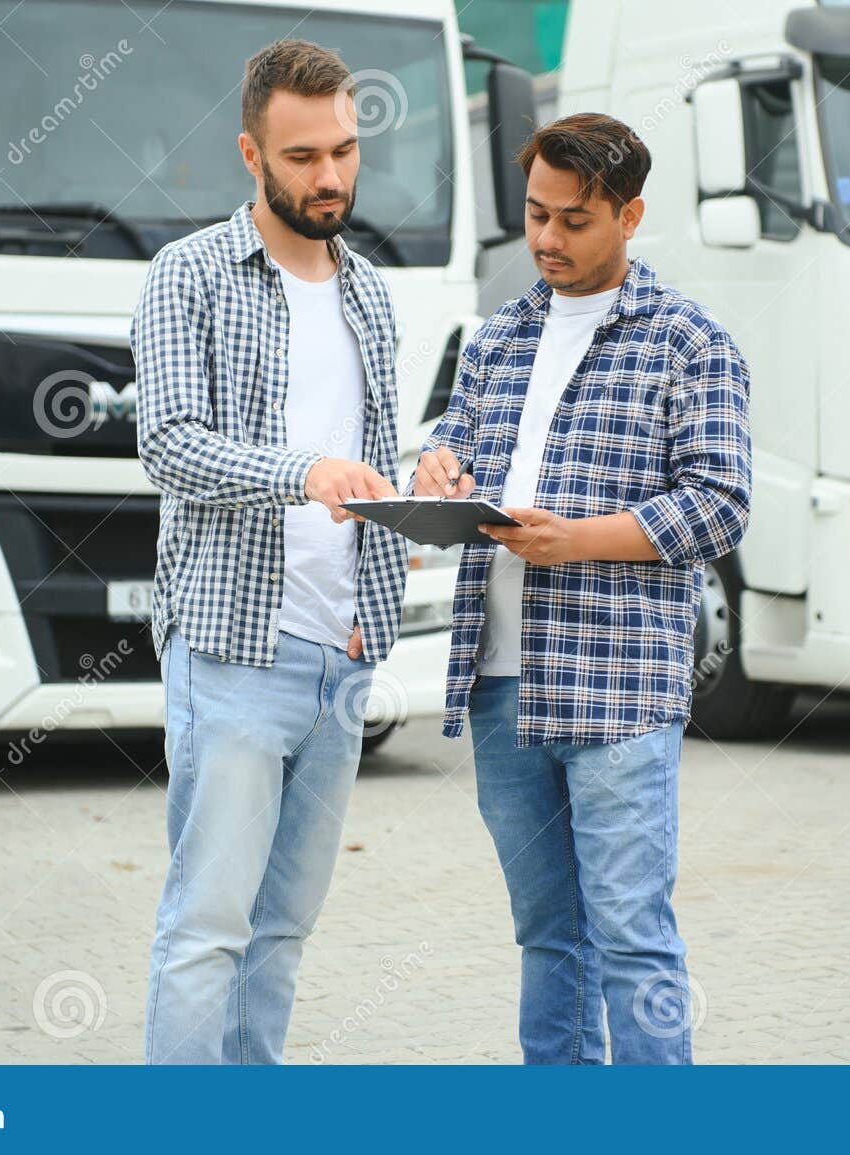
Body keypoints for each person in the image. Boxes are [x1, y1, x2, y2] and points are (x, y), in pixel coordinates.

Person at [413, 113, 752, 1064]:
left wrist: (585, 541)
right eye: (535, 215)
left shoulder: (691, 344)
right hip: (499, 684)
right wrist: (439, 465)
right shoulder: (497, 338)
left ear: (631, 215)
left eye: (576, 220)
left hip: (617, 685)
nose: (549, 240)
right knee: (545, 937)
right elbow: (460, 440)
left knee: (632, 941)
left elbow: (721, 504)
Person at [132, 38, 407, 1064]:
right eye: (301, 157)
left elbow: (368, 460)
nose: (328, 177)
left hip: (342, 652)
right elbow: (167, 442)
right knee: (207, 930)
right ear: (252, 152)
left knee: (282, 933)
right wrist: (301, 471)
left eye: (343, 150)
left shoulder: (371, 292)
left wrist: (428, 483)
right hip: (233, 648)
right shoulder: (189, 275)